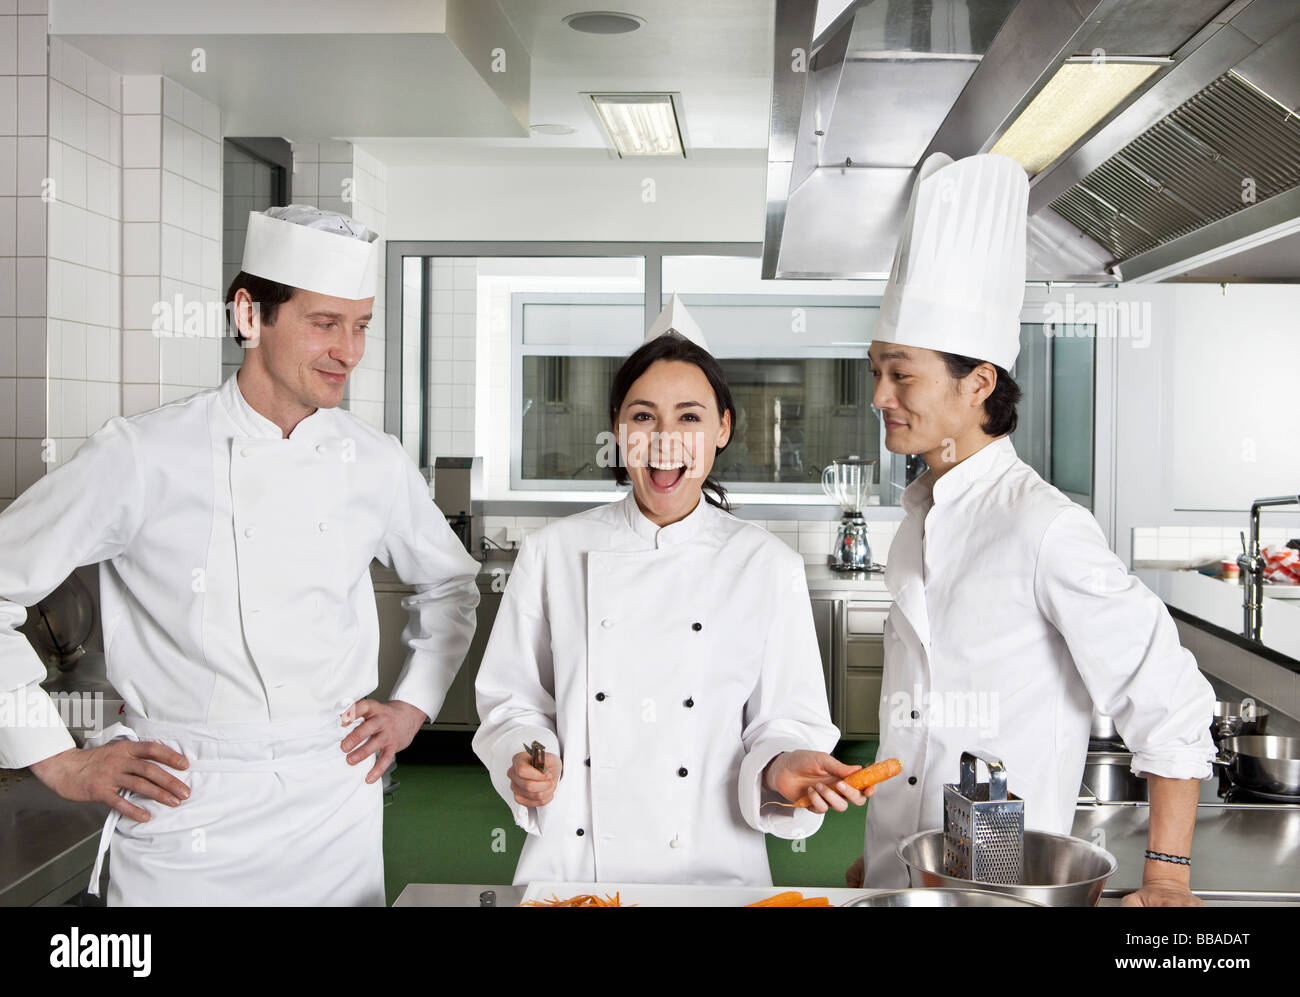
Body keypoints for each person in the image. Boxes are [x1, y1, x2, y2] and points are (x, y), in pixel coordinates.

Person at [0, 205, 480, 905]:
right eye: (325, 323)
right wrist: (56, 758)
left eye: (361, 325)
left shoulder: (374, 460)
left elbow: (451, 586)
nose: (349, 351)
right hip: (184, 805)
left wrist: (412, 704)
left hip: (332, 803)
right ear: (250, 314)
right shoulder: (143, 456)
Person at [848, 153, 1216, 905]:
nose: (879, 394)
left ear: (978, 383)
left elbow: (1171, 699)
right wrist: (881, 856)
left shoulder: (1045, 527)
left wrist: (1167, 875)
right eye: (876, 369)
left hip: (1003, 886)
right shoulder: (918, 516)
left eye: (901, 374)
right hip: (904, 878)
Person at [473, 295, 868, 886]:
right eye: (642, 417)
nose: (665, 440)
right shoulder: (552, 553)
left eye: (689, 418)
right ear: (617, 428)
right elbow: (514, 702)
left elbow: (785, 720)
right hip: (578, 865)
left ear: (722, 429)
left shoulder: (766, 566)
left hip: (711, 863)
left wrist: (782, 765)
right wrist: (528, 755)